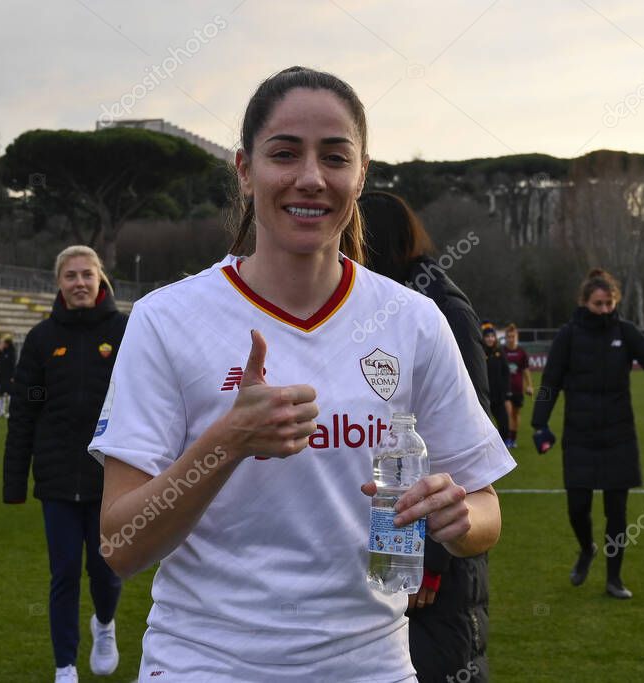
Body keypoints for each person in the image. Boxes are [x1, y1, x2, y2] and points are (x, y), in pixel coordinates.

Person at [88, 66, 515, 682]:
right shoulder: (167, 318)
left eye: (335, 157)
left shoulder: (413, 320)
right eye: (285, 154)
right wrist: (226, 442)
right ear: (245, 170)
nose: (311, 178)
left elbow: (485, 508)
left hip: (372, 666)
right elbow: (120, 547)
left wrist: (460, 520)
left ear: (360, 174)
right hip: (206, 665)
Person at [359, 190, 494, 682]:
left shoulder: (438, 310)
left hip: (430, 556)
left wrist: (429, 561)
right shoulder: (380, 304)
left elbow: (465, 448)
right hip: (392, 540)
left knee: (440, 663)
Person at [531, 269, 644, 599]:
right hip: (580, 435)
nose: (604, 310)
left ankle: (614, 578)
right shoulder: (568, 336)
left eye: (609, 304)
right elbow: (549, 383)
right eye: (598, 304)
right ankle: (587, 548)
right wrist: (539, 424)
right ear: (584, 302)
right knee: (578, 507)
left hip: (619, 435)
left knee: (617, 512)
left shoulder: (625, 333)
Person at [3, 245, 128, 682]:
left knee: (106, 572)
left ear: (100, 279)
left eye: (86, 274)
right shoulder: (42, 339)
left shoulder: (125, 331)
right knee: (64, 574)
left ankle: (105, 624)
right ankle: (65, 667)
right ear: (58, 283)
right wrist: (14, 482)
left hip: (108, 476)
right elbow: (25, 411)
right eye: (70, 275)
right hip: (56, 478)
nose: (79, 283)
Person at [502, 323, 533, 447]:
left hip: (518, 388)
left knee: (515, 414)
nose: (510, 339)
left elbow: (525, 370)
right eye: (508, 336)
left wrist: (529, 385)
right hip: (505, 388)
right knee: (508, 413)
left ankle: (513, 439)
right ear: (505, 337)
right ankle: (507, 438)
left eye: (513, 336)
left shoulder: (521, 352)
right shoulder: (502, 351)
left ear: (516, 337)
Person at [483, 323, 510, 442]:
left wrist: (506, 391)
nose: (490, 339)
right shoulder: (480, 353)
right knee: (485, 425)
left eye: (492, 336)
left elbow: (506, 372)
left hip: (498, 395)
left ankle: (503, 443)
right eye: (487, 336)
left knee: (504, 424)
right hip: (485, 395)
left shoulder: (500, 353)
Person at [0, 336, 16, 418]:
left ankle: (10, 412)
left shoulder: (11, 353)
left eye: (4, 343)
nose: (3, 345)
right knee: (1, 394)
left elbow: (13, 365)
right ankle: (1, 411)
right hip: (1, 376)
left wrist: (13, 376)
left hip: (9, 377)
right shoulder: (3, 352)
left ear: (7, 344)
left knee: (10, 394)